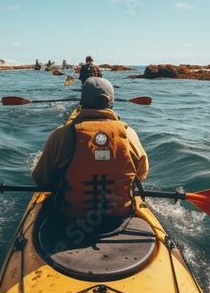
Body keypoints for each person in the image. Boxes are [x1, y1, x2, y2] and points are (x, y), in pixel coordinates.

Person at [32, 77, 148, 222]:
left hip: (71, 218)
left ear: (82, 103)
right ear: (111, 103)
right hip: (119, 215)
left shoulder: (62, 135)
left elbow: (41, 179)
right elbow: (141, 174)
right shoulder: (129, 134)